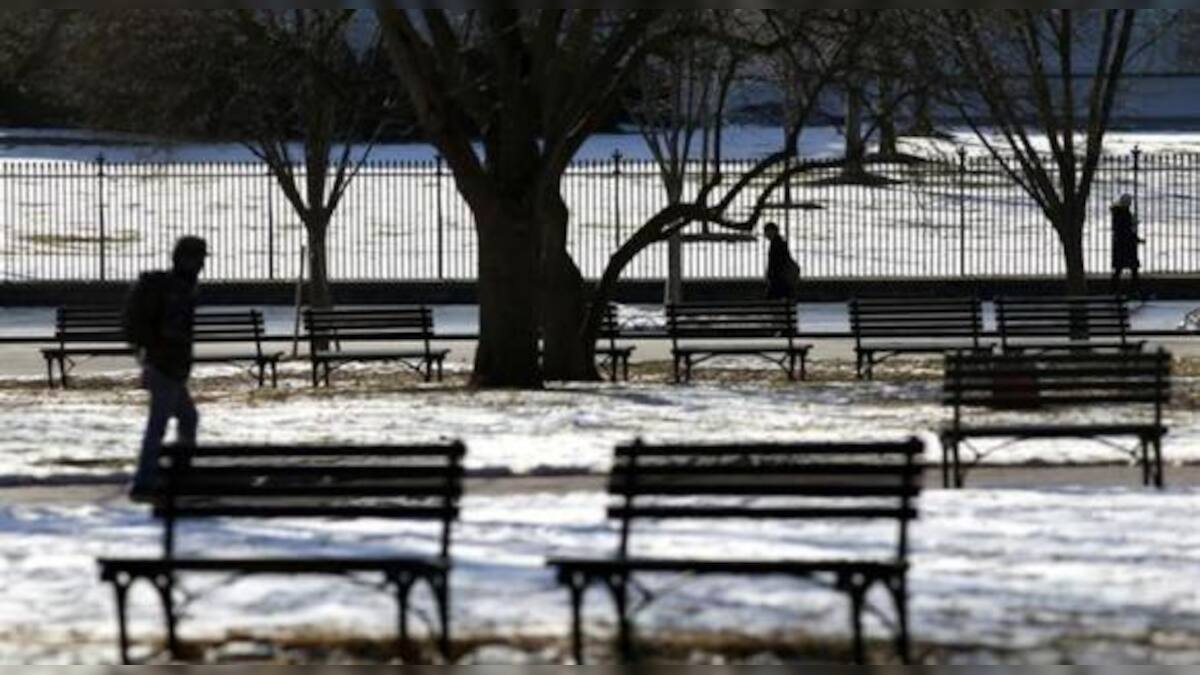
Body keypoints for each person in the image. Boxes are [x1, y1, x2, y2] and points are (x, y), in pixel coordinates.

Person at [124, 236, 208, 502]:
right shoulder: (177, 291)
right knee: (159, 424)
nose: (203, 264)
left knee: (186, 418)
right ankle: (146, 481)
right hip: (167, 367)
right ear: (187, 259)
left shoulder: (176, 287)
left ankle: (171, 474)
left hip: (165, 365)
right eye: (200, 258)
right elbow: (174, 330)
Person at [1111, 194, 1144, 297]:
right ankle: (1135, 290)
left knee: (1119, 269)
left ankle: (1115, 290)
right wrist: (1133, 225)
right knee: (1133, 269)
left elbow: (1121, 230)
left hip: (1120, 245)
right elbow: (1127, 230)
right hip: (1127, 246)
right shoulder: (1125, 214)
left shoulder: (1117, 214)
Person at [763, 222, 801, 302]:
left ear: (772, 231)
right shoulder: (780, 242)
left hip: (778, 278)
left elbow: (775, 262)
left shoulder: (776, 244)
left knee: (771, 299)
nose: (765, 234)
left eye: (766, 231)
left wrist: (770, 275)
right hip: (782, 277)